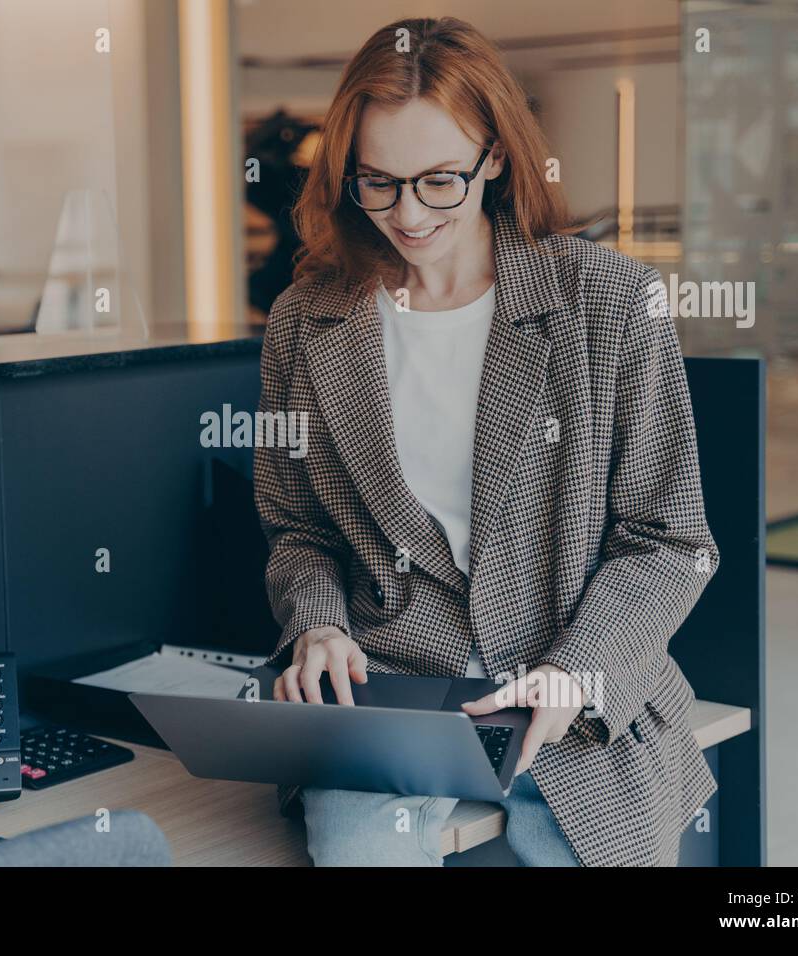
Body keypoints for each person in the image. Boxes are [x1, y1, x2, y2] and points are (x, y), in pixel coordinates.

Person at [253, 17, 719, 867]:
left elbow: (672, 541)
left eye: (439, 181)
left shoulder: (609, 302)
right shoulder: (305, 321)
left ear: (497, 157)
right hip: (393, 698)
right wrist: (318, 625)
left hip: (576, 703)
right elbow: (299, 529)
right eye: (378, 183)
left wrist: (576, 672)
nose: (408, 214)